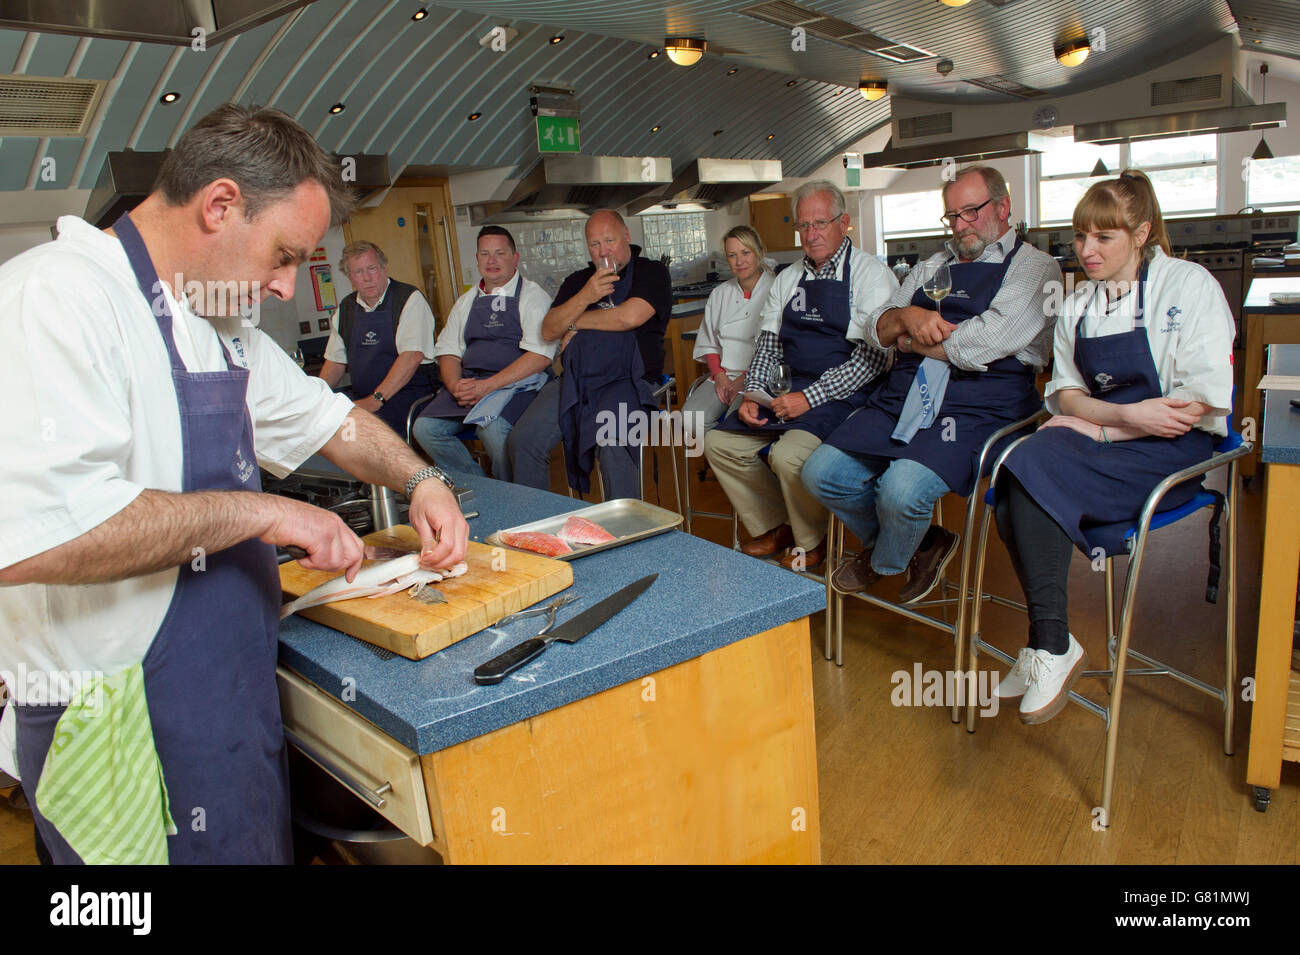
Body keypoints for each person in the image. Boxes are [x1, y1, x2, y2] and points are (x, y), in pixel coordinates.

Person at [0, 104, 469, 865]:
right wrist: (261, 511)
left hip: (228, 692)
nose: (288, 287)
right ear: (219, 204)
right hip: (120, 725)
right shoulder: (55, 299)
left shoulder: (212, 323)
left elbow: (328, 420)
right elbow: (41, 534)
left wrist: (423, 477)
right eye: (284, 255)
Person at [990, 169, 1233, 724]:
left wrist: (1102, 429)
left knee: (1026, 472)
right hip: (1114, 440)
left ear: (1142, 233)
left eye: (1104, 237)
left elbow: (1190, 409)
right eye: (1080, 237)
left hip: (1175, 452)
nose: (1086, 250)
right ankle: (1050, 644)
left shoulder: (1188, 287)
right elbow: (1068, 396)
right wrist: (1116, 417)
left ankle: (1048, 646)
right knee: (1018, 468)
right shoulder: (1077, 305)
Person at [802, 166, 1061, 602]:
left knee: (899, 490)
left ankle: (885, 557)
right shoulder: (932, 265)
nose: (960, 226)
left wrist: (911, 340)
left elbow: (982, 343)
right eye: (952, 216)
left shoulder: (1037, 268)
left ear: (1003, 207)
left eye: (971, 212)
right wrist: (906, 319)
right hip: (902, 398)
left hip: (979, 407)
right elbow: (874, 327)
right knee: (820, 472)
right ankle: (924, 543)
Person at [705, 181, 896, 571]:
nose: (811, 234)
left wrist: (809, 399)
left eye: (820, 223)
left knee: (790, 456)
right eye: (803, 226)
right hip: (789, 389)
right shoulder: (789, 278)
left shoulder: (870, 275)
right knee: (719, 443)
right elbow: (769, 346)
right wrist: (752, 394)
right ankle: (778, 526)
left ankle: (813, 541)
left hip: (849, 396)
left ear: (844, 223)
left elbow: (872, 361)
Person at [507, 209, 673, 498]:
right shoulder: (578, 282)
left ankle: (627, 533)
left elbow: (629, 317)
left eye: (609, 240)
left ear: (627, 237)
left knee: (613, 443)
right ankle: (533, 529)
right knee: (522, 441)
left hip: (632, 383)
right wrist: (587, 295)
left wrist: (576, 322)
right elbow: (548, 330)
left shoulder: (652, 272)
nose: (603, 251)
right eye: (594, 245)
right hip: (575, 382)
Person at [411, 226, 555, 482]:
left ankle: (513, 494)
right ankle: (479, 485)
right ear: (477, 259)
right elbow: (448, 352)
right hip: (472, 383)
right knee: (425, 428)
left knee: (493, 428)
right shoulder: (466, 301)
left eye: (500, 253)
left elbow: (540, 357)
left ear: (515, 258)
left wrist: (487, 387)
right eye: (485, 254)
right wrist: (456, 386)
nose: (492, 261)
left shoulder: (533, 297)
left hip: (518, 386)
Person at [319, 240, 438, 433]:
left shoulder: (409, 299)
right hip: (364, 400)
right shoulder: (346, 308)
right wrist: (317, 398)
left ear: (384, 268)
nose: (366, 278)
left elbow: (412, 356)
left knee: (364, 438)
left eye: (372, 269)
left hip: (408, 398)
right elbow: (335, 361)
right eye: (358, 272)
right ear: (350, 277)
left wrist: (376, 400)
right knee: (330, 433)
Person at [683, 225, 776, 443]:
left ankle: (728, 456)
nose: (739, 261)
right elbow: (709, 342)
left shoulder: (776, 290)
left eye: (746, 253)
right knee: (690, 419)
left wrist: (743, 381)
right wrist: (720, 377)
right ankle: (723, 456)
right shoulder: (720, 294)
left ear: (760, 252)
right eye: (732, 255)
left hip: (759, 377)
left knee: (736, 425)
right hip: (724, 374)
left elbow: (776, 349)